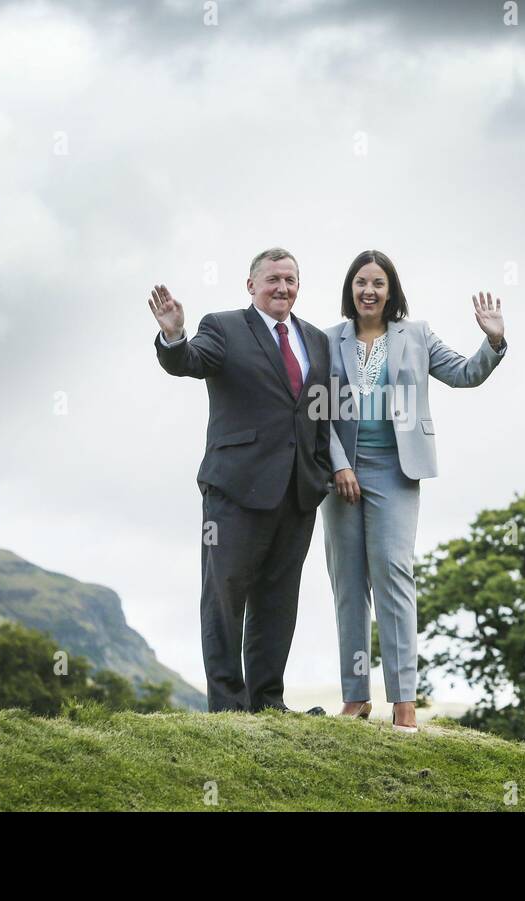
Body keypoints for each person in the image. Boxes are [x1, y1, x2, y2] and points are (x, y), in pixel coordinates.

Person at [323, 250, 507, 732]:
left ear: (391, 290)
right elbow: (313, 410)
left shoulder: (417, 335)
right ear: (350, 289)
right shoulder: (326, 340)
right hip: (340, 474)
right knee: (348, 588)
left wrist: (493, 340)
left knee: (394, 581)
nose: (369, 290)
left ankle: (403, 703)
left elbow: (465, 374)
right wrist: (339, 465)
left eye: (378, 283)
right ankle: (356, 697)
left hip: (396, 471)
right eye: (361, 282)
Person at [150, 247, 331, 714]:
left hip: (297, 492)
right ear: (251, 285)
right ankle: (229, 705)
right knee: (225, 599)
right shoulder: (224, 327)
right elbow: (189, 361)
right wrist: (173, 335)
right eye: (272, 279)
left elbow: (320, 412)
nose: (282, 287)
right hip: (235, 489)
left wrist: (322, 470)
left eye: (290, 279)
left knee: (278, 600)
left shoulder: (316, 340)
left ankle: (268, 702)